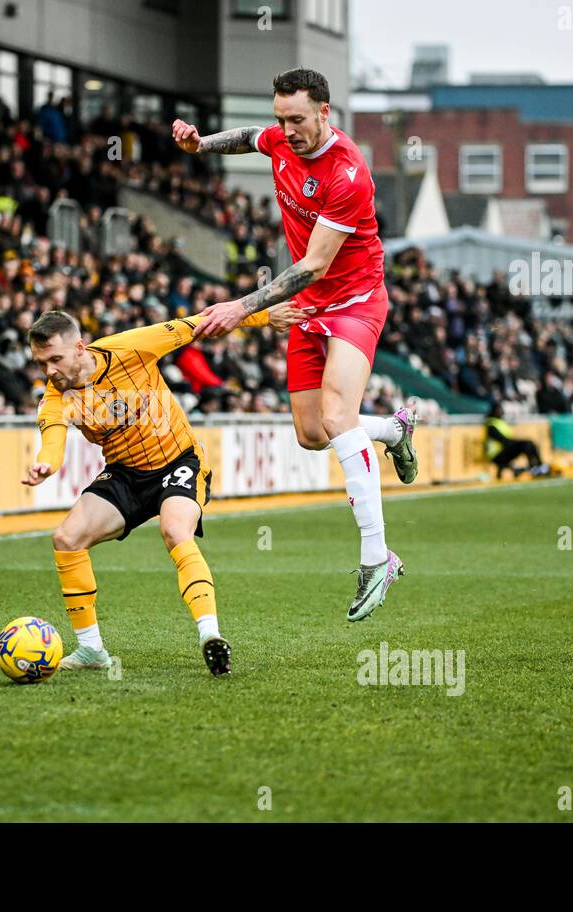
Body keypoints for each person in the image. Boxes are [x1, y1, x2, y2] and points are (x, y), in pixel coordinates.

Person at [173, 67, 415, 622]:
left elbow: (313, 265)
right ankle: (394, 429)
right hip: (309, 305)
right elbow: (247, 138)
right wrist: (199, 145)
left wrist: (243, 306)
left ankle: (377, 558)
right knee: (312, 434)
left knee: (336, 412)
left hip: (354, 298)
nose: (288, 129)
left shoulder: (348, 173)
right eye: (282, 118)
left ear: (326, 113)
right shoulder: (281, 135)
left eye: (299, 119)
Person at [23, 305, 303, 677]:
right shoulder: (56, 395)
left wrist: (263, 317)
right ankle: (92, 650)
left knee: (174, 531)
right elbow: (53, 436)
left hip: (178, 461)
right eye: (41, 363)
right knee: (66, 538)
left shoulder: (130, 347)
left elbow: (198, 324)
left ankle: (210, 636)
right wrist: (47, 463)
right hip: (125, 474)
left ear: (80, 347)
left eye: (55, 359)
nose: (49, 371)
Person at [485, 402, 550, 479]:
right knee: (526, 444)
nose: (501, 411)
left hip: (502, 451)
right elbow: (503, 440)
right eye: (499, 409)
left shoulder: (500, 422)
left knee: (530, 443)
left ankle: (539, 466)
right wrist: (517, 444)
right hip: (496, 455)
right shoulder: (491, 425)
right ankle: (534, 467)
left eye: (501, 409)